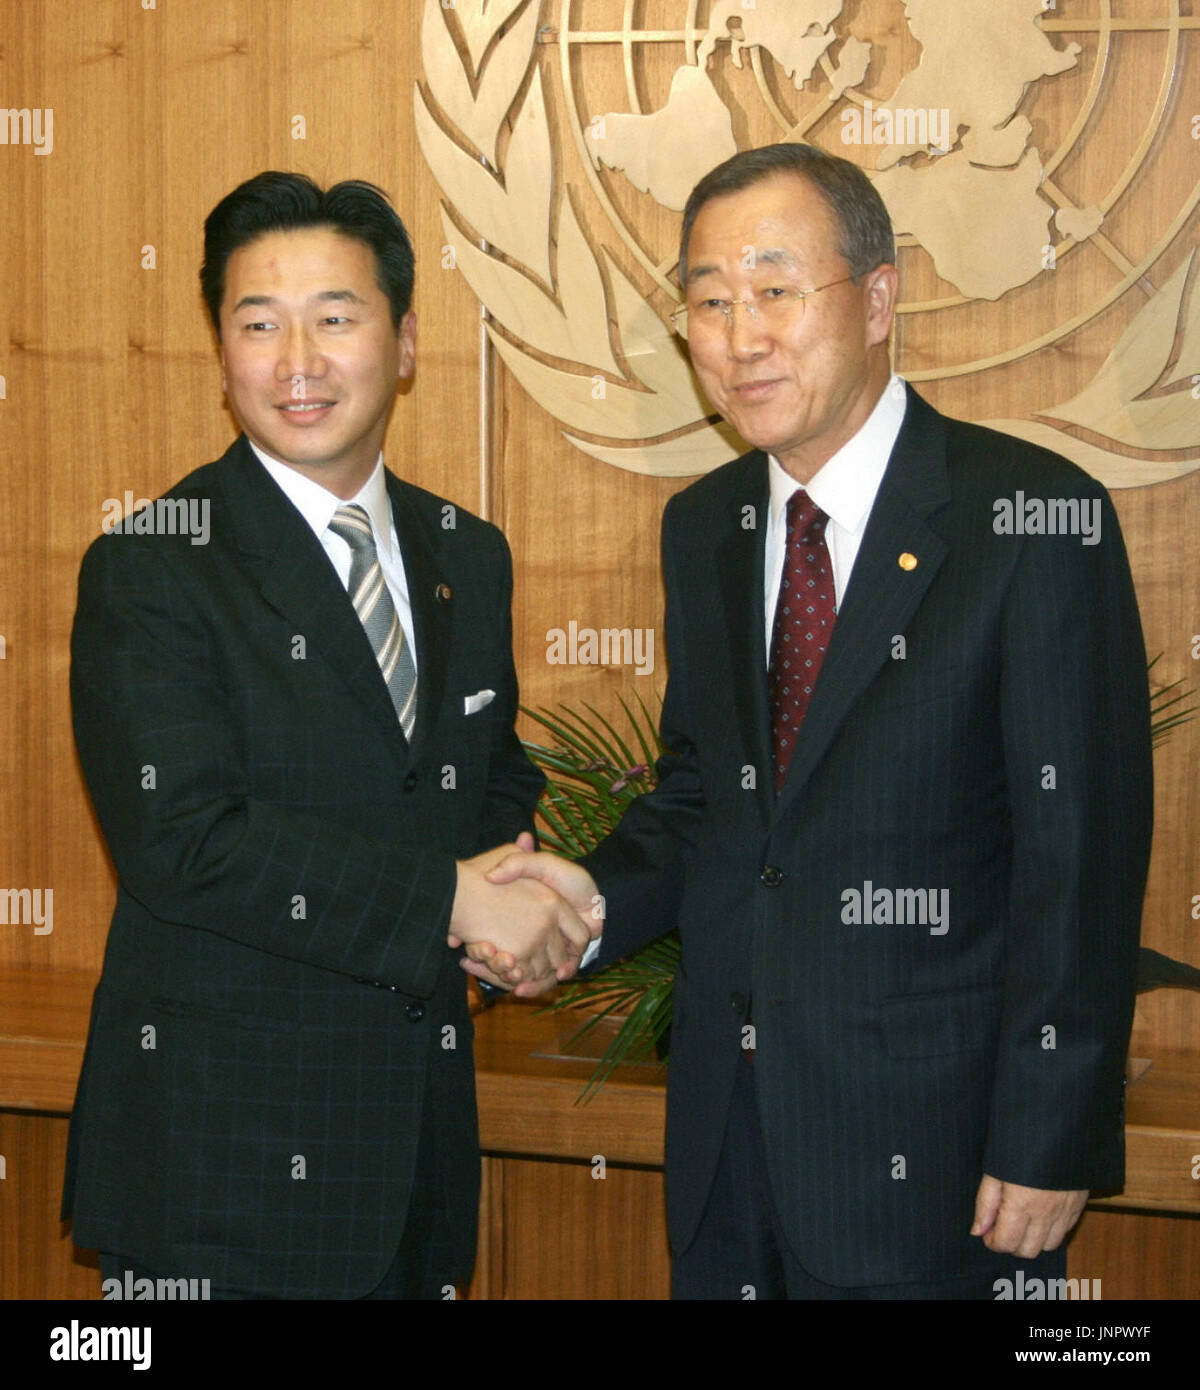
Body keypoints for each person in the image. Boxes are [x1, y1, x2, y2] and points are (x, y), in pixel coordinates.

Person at [468, 144, 1154, 1299]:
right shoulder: (710, 528)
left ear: (879, 298)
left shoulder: (1031, 520)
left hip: (948, 1172)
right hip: (732, 1154)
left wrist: (1049, 1136)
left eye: (778, 290)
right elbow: (710, 803)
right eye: (710, 300)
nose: (742, 335)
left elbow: (1078, 856)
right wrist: (581, 908)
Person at [64, 171, 588, 1300]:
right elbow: (184, 839)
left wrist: (530, 903)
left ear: (402, 343)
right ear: (222, 353)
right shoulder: (155, 564)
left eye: (335, 318)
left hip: (416, 1170)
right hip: (220, 1184)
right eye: (258, 323)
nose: (297, 359)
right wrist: (456, 902)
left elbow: (487, 783)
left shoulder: (468, 554)